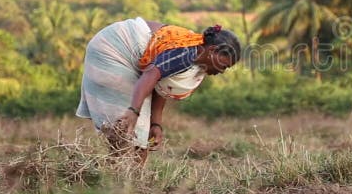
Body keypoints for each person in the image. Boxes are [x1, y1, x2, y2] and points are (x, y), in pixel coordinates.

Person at [76, 18, 241, 162]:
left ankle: (126, 183)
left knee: (137, 133)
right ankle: (124, 184)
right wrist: (133, 110)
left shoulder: (194, 49)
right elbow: (151, 75)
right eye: (224, 65)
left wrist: (156, 123)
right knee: (129, 131)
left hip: (115, 46)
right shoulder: (186, 53)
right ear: (212, 51)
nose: (221, 71)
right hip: (114, 51)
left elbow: (161, 83)